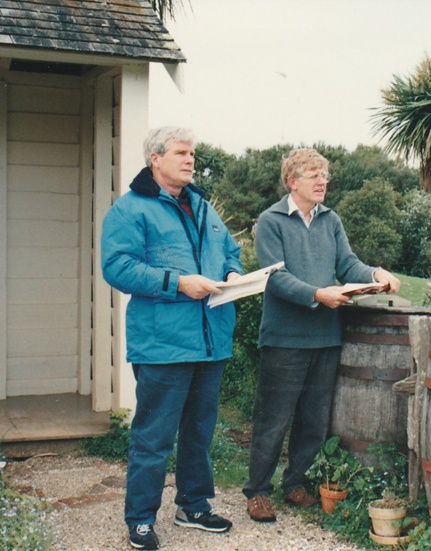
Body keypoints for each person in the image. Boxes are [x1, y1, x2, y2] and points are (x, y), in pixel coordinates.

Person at [101, 126, 243, 550]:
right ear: (155, 159)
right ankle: (141, 520)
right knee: (154, 436)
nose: (190, 160)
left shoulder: (202, 206)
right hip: (163, 345)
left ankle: (193, 506)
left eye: (193, 154)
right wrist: (179, 283)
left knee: (199, 431)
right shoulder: (130, 210)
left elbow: (230, 252)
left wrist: (234, 273)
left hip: (210, 340)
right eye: (180, 153)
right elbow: (117, 268)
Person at [243, 148, 401, 522]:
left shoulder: (331, 220)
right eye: (313, 175)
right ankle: (257, 491)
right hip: (284, 338)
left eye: (324, 175)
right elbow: (273, 277)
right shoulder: (271, 221)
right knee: (273, 419)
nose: (322, 182)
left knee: (315, 420)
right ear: (291, 181)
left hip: (326, 336)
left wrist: (376, 274)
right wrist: (317, 294)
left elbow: (347, 264)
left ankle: (295, 483)